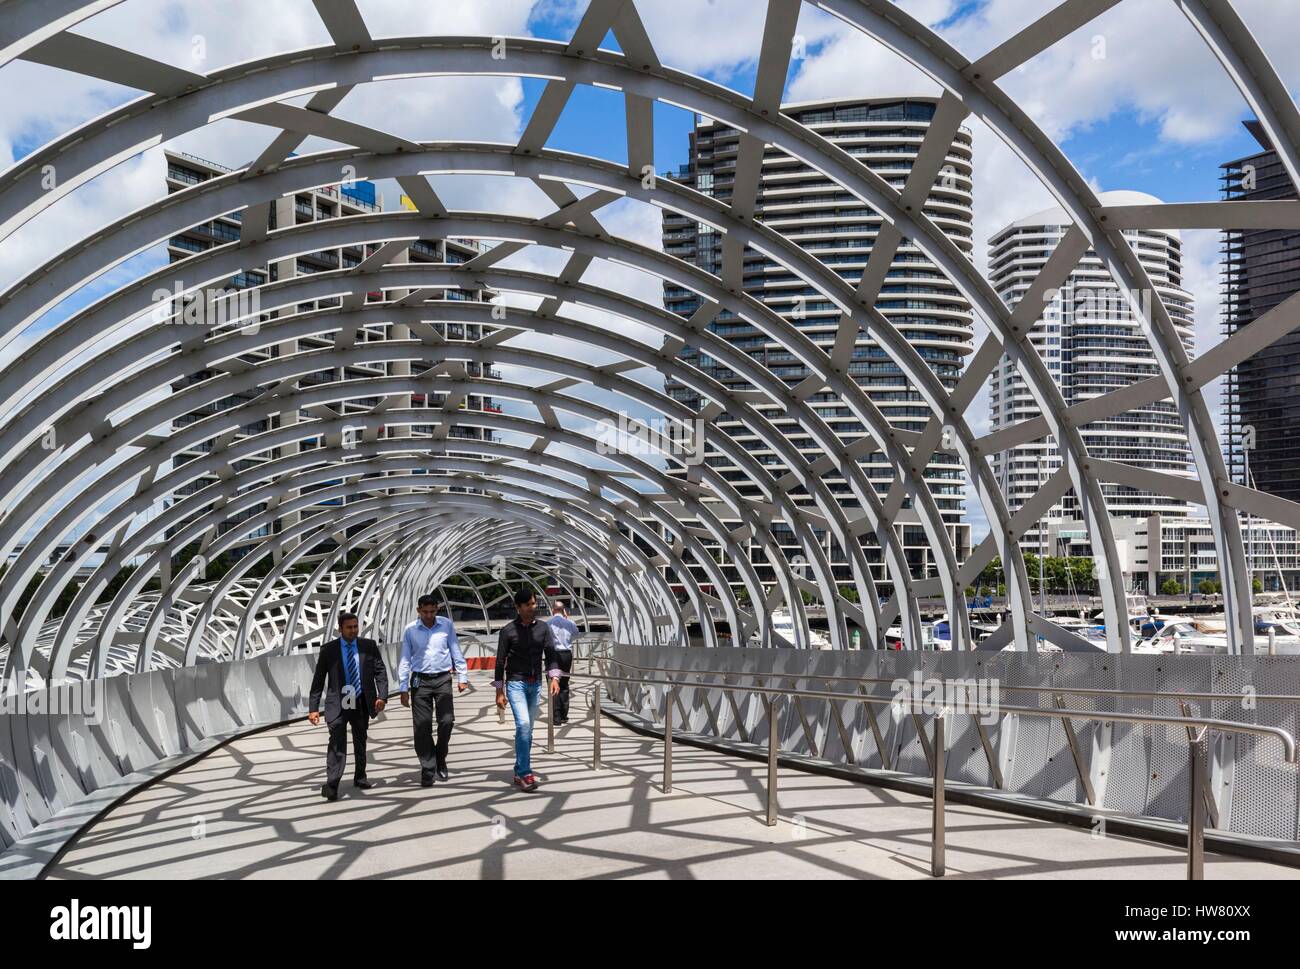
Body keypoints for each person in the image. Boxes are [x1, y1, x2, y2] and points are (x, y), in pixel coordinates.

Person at [308, 612, 388, 801]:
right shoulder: (329, 650)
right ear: (340, 629)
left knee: (360, 740)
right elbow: (319, 679)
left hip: (360, 700)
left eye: (355, 626)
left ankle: (360, 776)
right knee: (337, 742)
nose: (353, 630)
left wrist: (382, 695)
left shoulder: (368, 646)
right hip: (339, 701)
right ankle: (332, 784)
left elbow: (380, 671)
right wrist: (313, 708)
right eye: (349, 627)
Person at [494, 588, 561, 792]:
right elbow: (499, 662)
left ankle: (518, 768)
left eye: (533, 604)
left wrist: (554, 677)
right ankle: (525, 773)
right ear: (518, 607)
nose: (532, 607)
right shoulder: (508, 631)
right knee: (523, 725)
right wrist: (499, 691)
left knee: (527, 730)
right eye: (528, 605)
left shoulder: (543, 628)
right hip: (515, 683)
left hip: (535, 684)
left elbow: (551, 654)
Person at [398, 594, 468, 786]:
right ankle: (428, 768)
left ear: (437, 610)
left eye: (433, 611)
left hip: (443, 678)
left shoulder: (446, 625)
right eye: (425, 612)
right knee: (422, 725)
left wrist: (462, 676)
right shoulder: (410, 630)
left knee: (447, 720)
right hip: (420, 680)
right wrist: (403, 687)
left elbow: (455, 649)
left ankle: (440, 756)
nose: (429, 615)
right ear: (418, 611)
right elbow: (405, 658)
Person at [547, 600, 579, 724]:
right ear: (564, 610)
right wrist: (567, 618)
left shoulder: (548, 623)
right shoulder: (570, 623)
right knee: (564, 684)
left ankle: (556, 717)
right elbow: (576, 634)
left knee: (553, 684)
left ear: (553, 610)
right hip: (566, 654)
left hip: (553, 655)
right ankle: (564, 715)